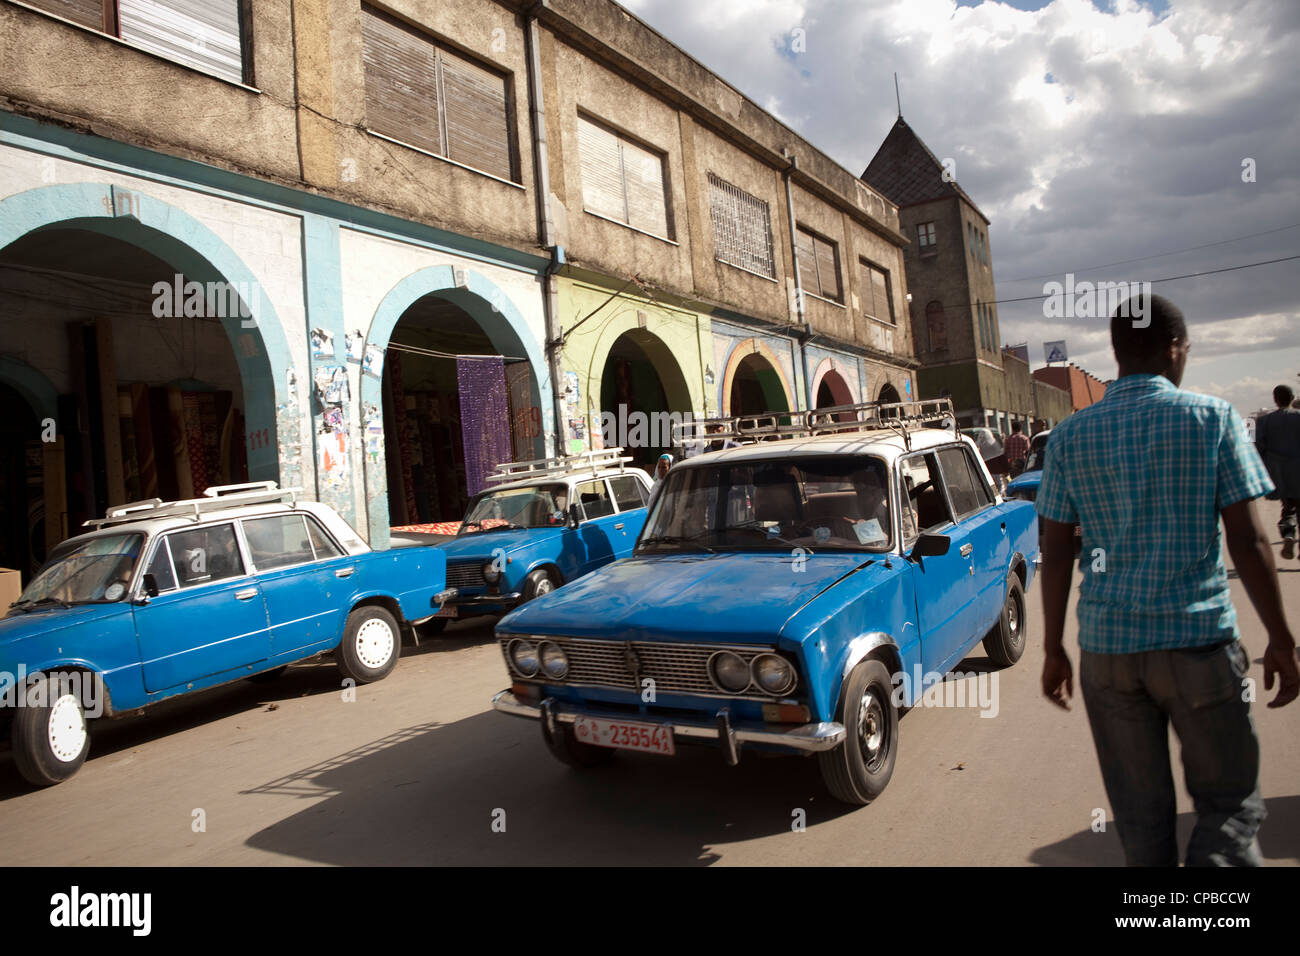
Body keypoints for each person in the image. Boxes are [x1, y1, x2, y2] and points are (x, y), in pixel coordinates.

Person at [1037, 293, 1298, 867]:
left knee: (1141, 822)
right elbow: (1250, 541)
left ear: (1117, 351)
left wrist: (1054, 647)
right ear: (1176, 349)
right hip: (1197, 645)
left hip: (1108, 654)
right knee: (1229, 809)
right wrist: (1281, 639)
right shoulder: (1213, 419)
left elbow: (1055, 553)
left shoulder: (1070, 436)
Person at [1255, 385, 1300, 560]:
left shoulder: (1265, 421)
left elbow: (1258, 446)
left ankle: (1288, 533)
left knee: (1288, 506)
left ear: (1275, 399)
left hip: (1279, 471)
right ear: (1292, 397)